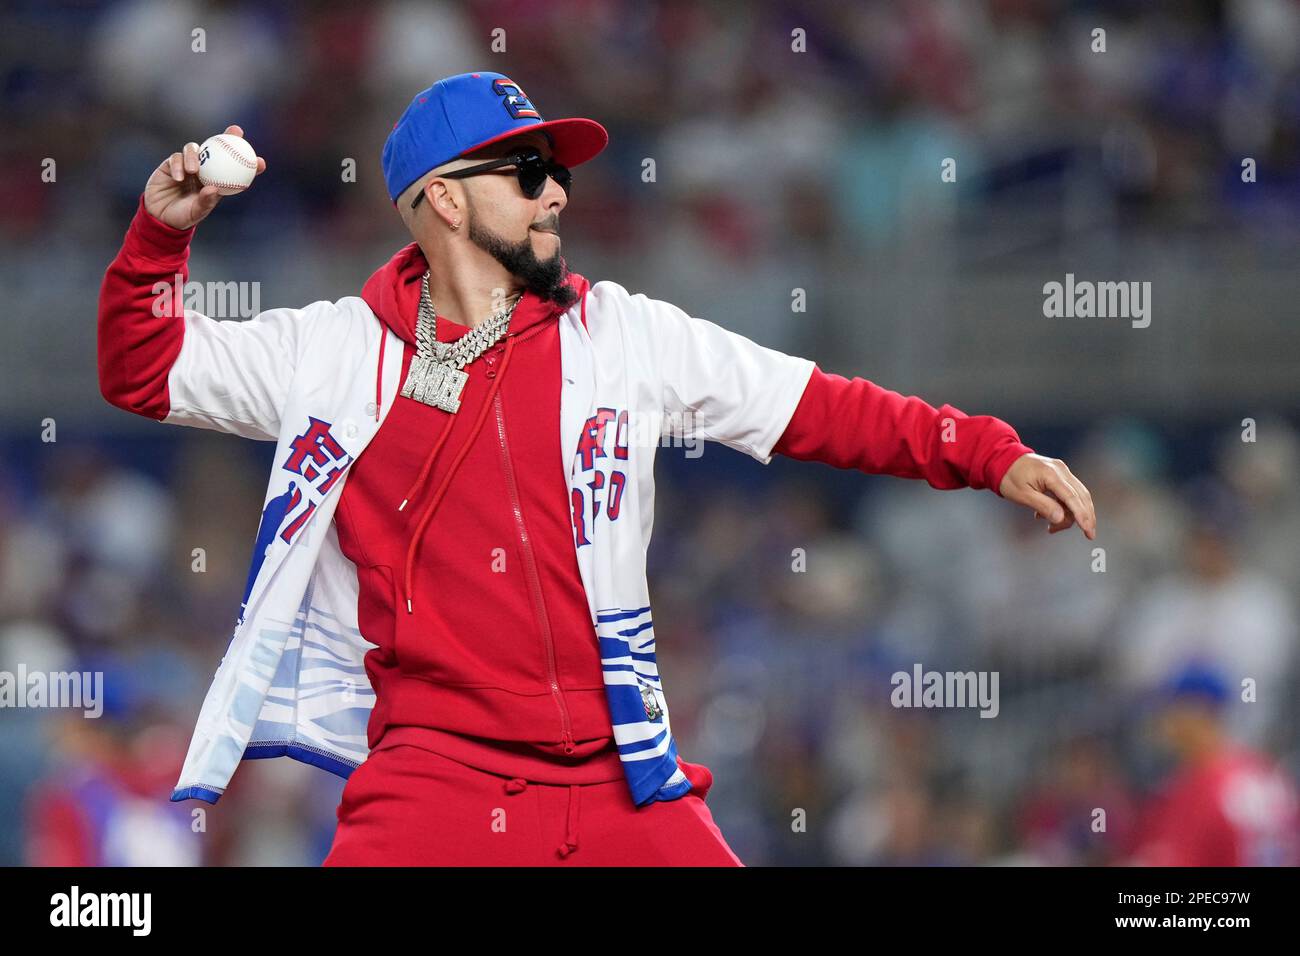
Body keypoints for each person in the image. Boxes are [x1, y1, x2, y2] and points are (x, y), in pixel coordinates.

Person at [97, 71, 1096, 866]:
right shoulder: (330, 352)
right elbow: (143, 366)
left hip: (616, 774)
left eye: (556, 171)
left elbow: (813, 406)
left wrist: (985, 451)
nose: (557, 192)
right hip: (435, 782)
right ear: (442, 197)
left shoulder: (620, 333)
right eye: (527, 172)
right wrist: (161, 231)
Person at [1129, 662, 1299, 867]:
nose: (1162, 723)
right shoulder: (1266, 774)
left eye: (1169, 709)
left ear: (1195, 712)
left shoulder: (1203, 788)